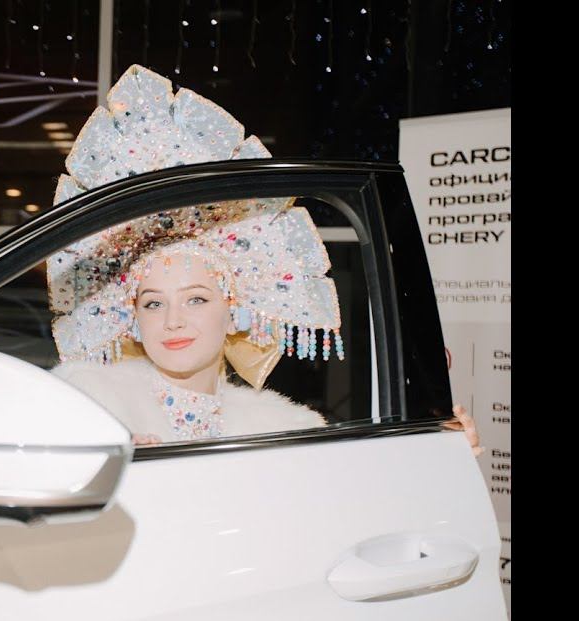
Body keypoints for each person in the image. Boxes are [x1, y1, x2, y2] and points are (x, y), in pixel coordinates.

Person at [46, 64, 481, 451]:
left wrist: (434, 452)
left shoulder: (285, 429)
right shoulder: (88, 407)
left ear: (234, 312)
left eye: (196, 299)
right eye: (153, 303)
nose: (172, 321)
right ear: (133, 321)